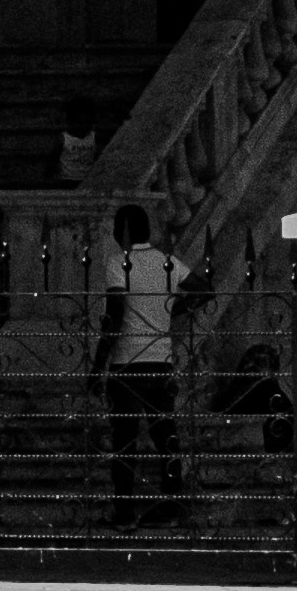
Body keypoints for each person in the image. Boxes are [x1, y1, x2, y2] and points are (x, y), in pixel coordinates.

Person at [100, 201, 189, 519]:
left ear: (122, 230)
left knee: (124, 439)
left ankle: (123, 510)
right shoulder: (168, 262)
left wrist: (99, 362)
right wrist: (170, 313)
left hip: (127, 362)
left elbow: (115, 312)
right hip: (160, 360)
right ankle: (173, 502)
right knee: (165, 433)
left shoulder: (119, 262)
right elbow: (203, 291)